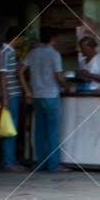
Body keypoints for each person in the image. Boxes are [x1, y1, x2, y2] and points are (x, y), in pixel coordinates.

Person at [22, 28, 66, 172]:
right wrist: (67, 86)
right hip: (51, 95)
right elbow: (59, 77)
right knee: (53, 131)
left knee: (40, 131)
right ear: (53, 38)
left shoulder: (32, 53)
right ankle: (54, 165)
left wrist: (28, 90)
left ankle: (41, 163)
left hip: (37, 96)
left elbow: (20, 71)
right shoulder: (54, 54)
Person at [0, 27, 21, 172]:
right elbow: (3, 75)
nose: (21, 41)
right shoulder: (5, 52)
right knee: (9, 128)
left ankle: (11, 159)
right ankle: (8, 162)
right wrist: (5, 97)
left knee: (12, 128)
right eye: (21, 38)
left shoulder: (9, 52)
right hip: (10, 95)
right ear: (16, 37)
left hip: (12, 94)